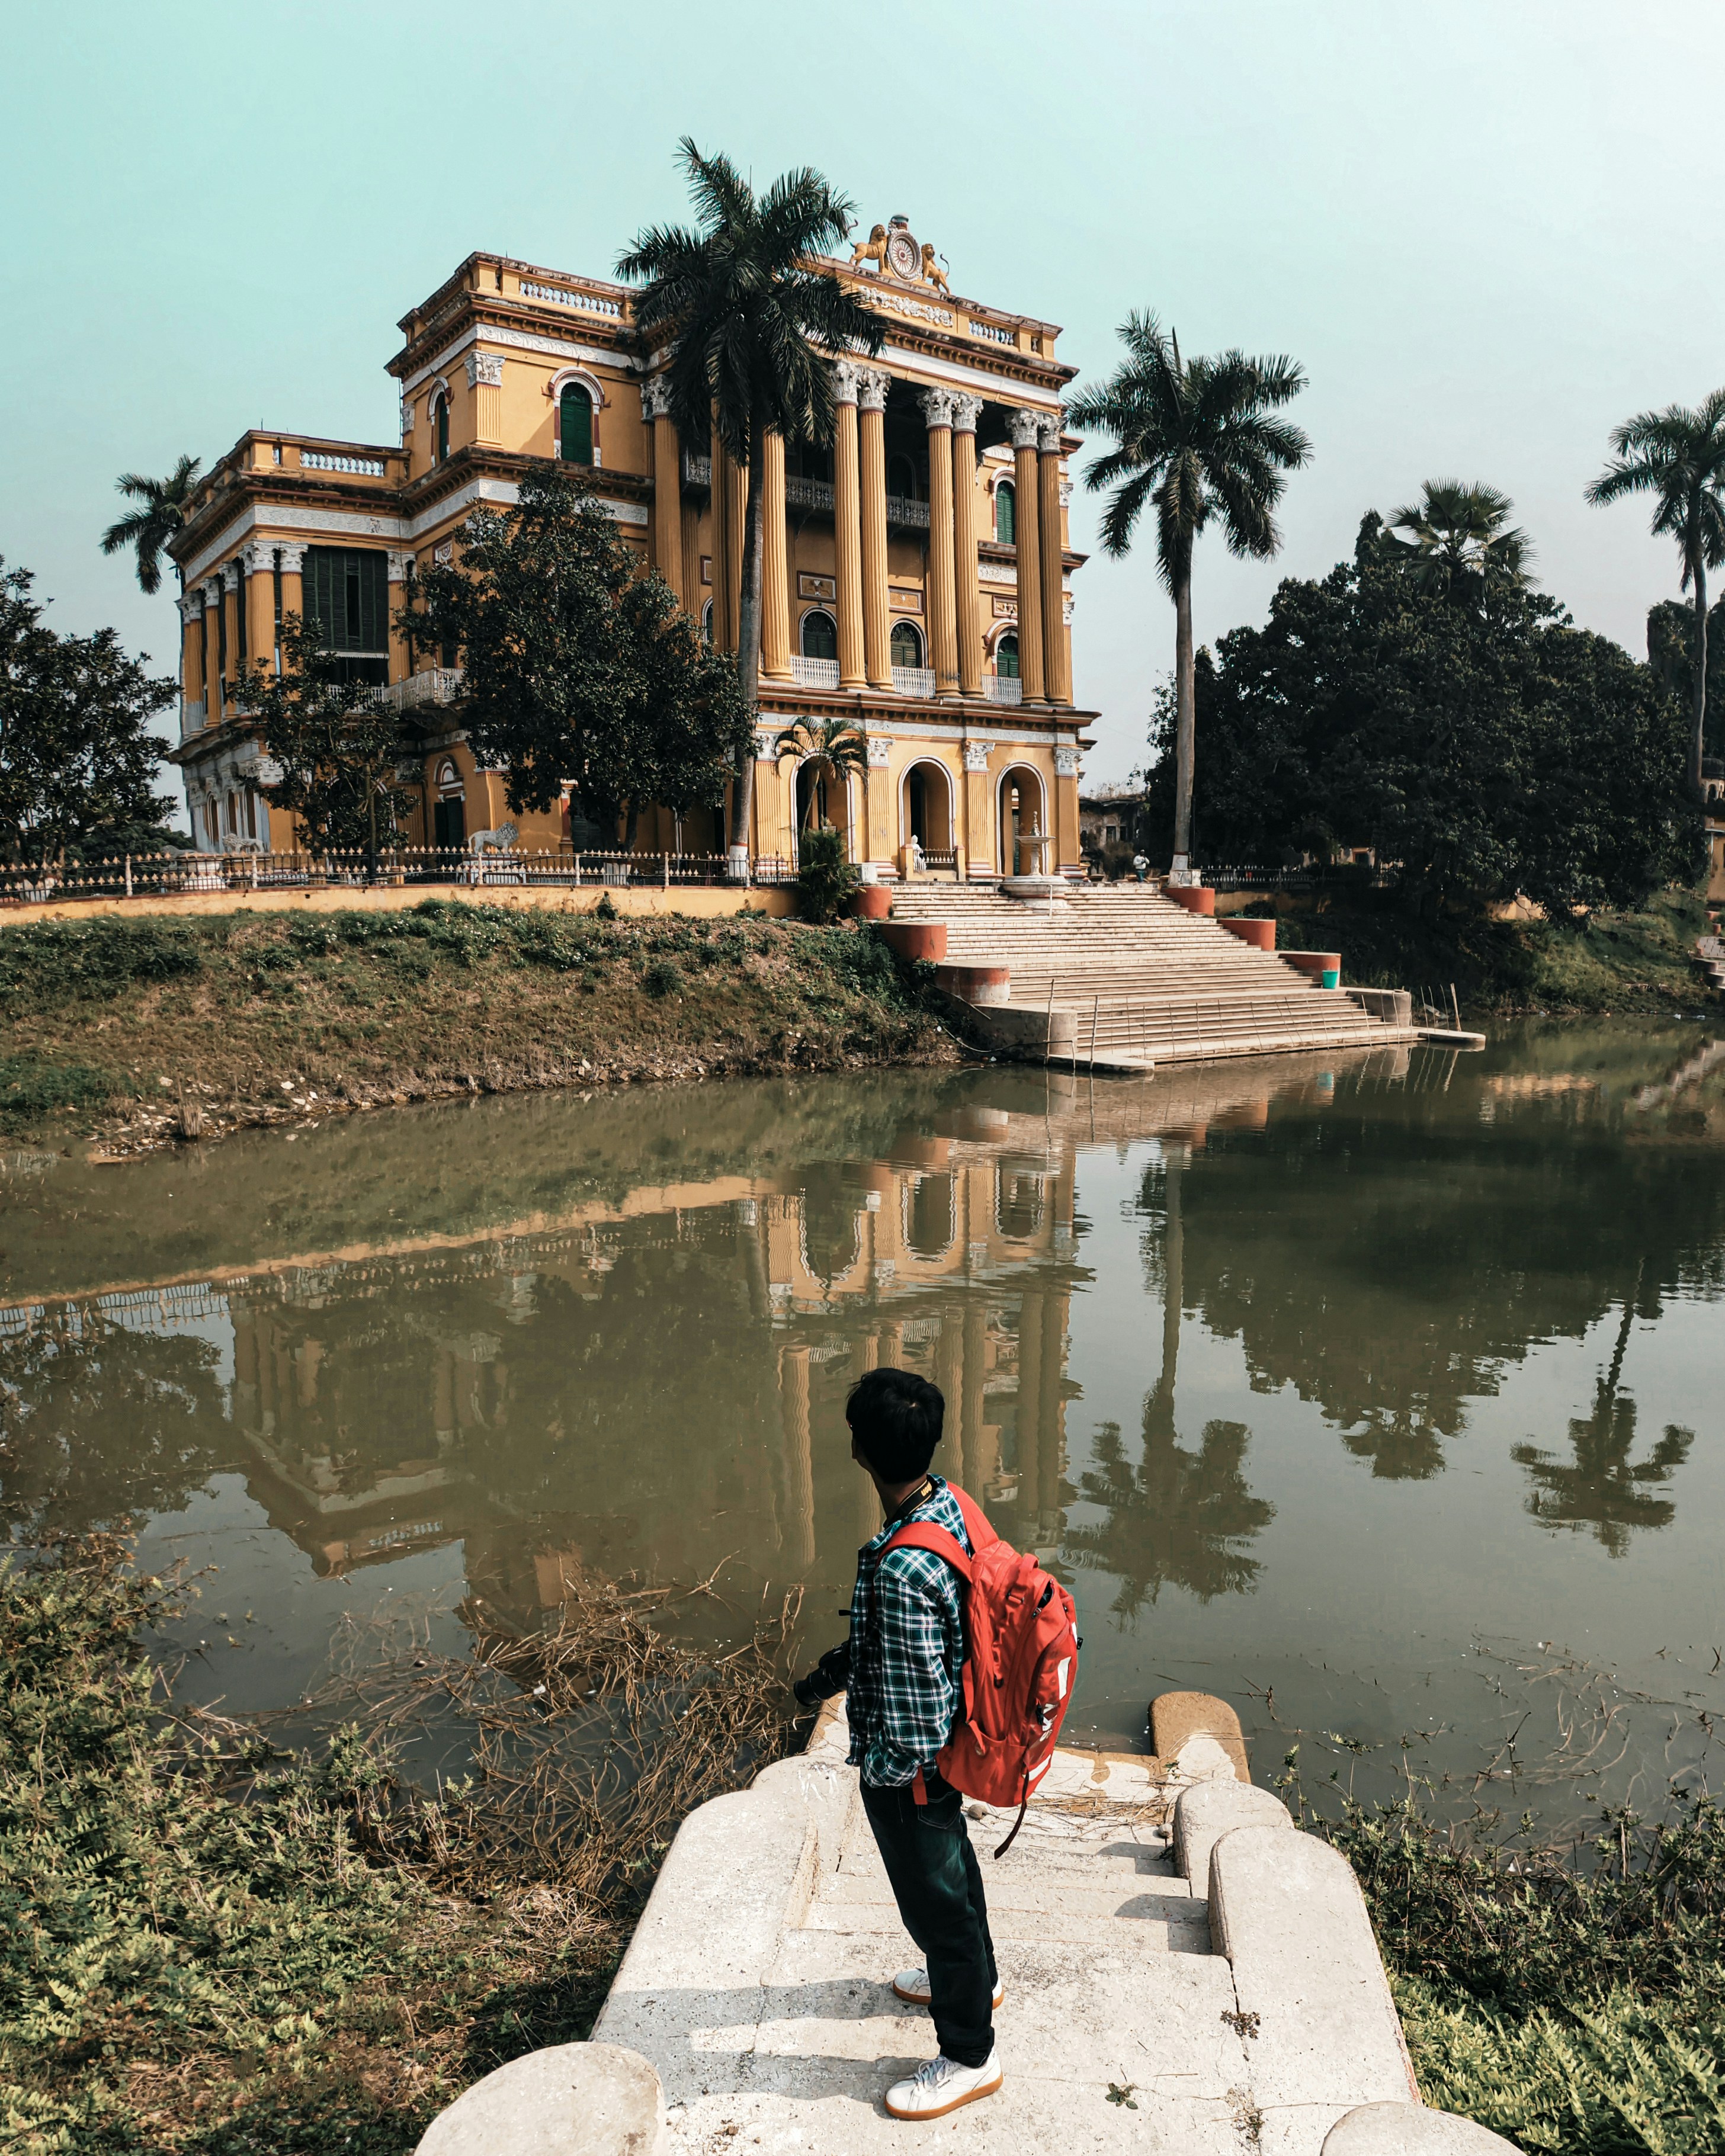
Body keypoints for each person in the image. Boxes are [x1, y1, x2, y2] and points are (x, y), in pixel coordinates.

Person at [793, 1366, 1002, 2122]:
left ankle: (969, 2053)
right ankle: (975, 1977)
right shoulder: (947, 1504)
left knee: (936, 1903)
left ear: (857, 1450)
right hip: (951, 1756)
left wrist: (896, 1780)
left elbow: (915, 1711)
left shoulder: (900, 1566)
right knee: (955, 1885)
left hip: (915, 1772)